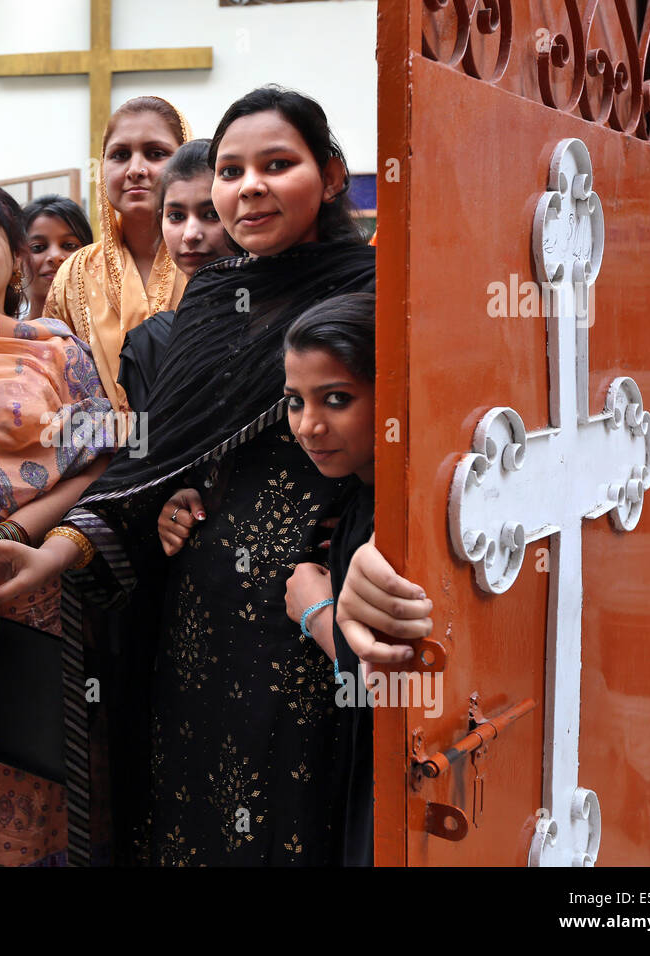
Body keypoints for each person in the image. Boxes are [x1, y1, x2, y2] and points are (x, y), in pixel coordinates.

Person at [0, 86, 386, 866]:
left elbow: (400, 453)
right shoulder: (213, 303)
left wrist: (343, 567)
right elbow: (147, 469)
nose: (247, 186)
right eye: (231, 170)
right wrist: (47, 554)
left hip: (310, 612)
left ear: (330, 177)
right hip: (196, 616)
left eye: (276, 165)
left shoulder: (376, 294)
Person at [0, 177, 117, 866]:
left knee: (47, 773)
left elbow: (99, 464)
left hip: (42, 590)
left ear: (16, 257)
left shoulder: (57, 348)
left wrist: (9, 541)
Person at [279, 291, 380, 866]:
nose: (309, 426)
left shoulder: (406, 508)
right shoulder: (359, 492)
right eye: (295, 402)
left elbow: (394, 681)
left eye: (337, 399)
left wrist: (318, 612)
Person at [44, 97, 192, 412]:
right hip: (99, 457)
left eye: (156, 154)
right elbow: (51, 384)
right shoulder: (73, 275)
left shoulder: (211, 260)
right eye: (120, 155)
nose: (136, 170)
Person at [118, 138, 240, 413]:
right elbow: (148, 447)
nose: (190, 234)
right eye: (176, 216)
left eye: (210, 214)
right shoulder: (150, 342)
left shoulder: (276, 320)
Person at [19, 195, 92, 321]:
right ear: (17, 259)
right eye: (38, 247)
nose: (55, 256)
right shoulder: (1, 337)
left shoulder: (112, 334)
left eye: (69, 245)